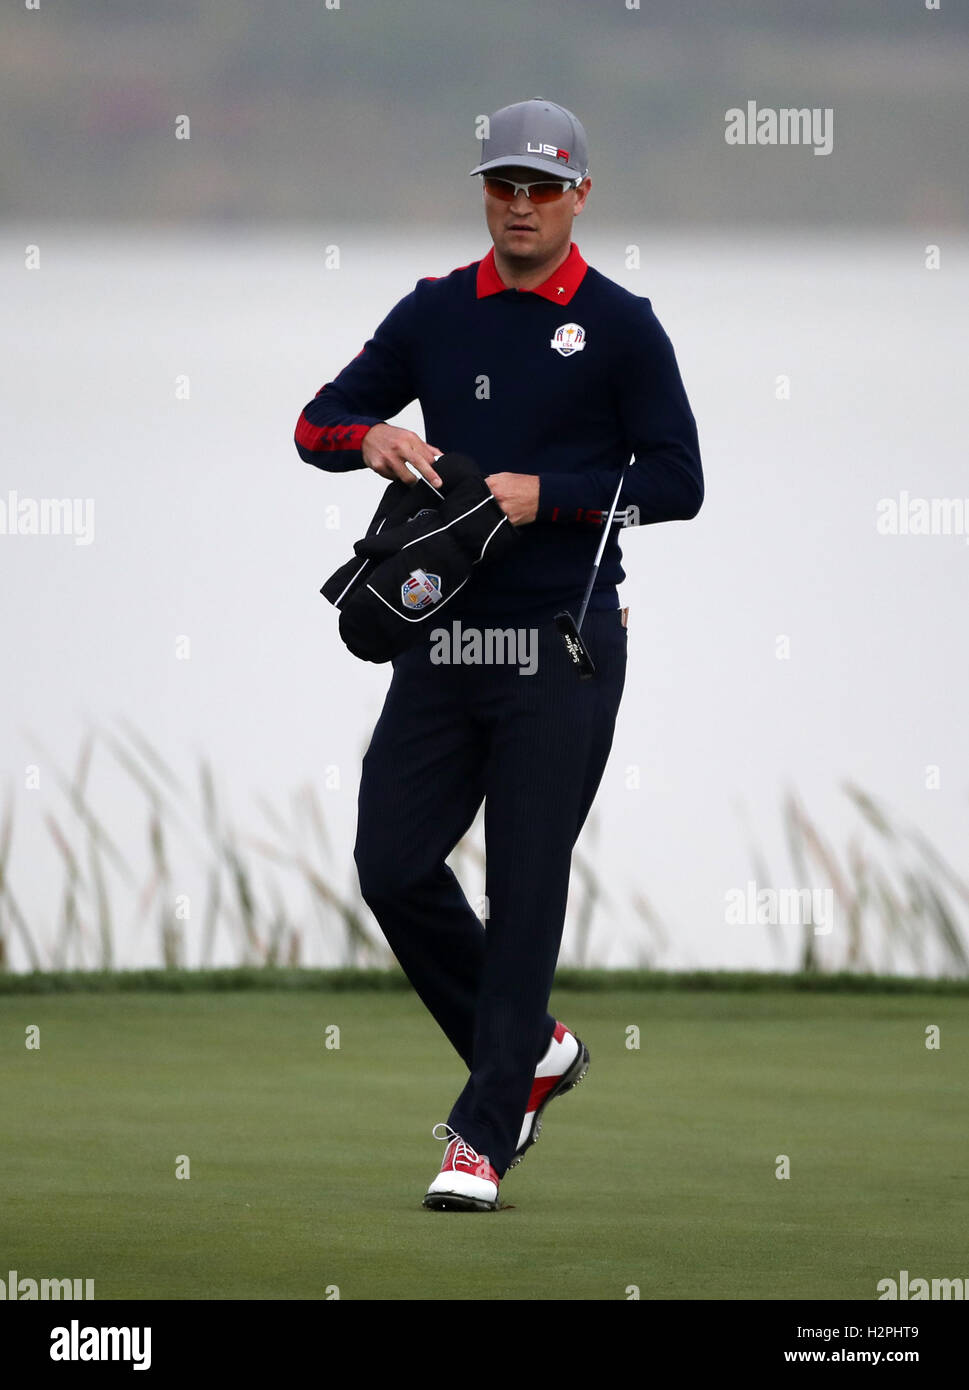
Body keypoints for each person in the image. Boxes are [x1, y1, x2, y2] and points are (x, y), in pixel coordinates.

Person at [294, 98, 703, 1211]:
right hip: (445, 637)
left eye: (542, 186)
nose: (520, 205)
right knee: (392, 863)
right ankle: (532, 1048)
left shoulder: (623, 325)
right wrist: (370, 436)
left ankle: (481, 1135)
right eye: (503, 184)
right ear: (485, 191)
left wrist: (551, 498)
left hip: (562, 645)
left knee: (527, 891)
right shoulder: (436, 312)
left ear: (581, 194)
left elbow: (678, 481)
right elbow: (317, 420)